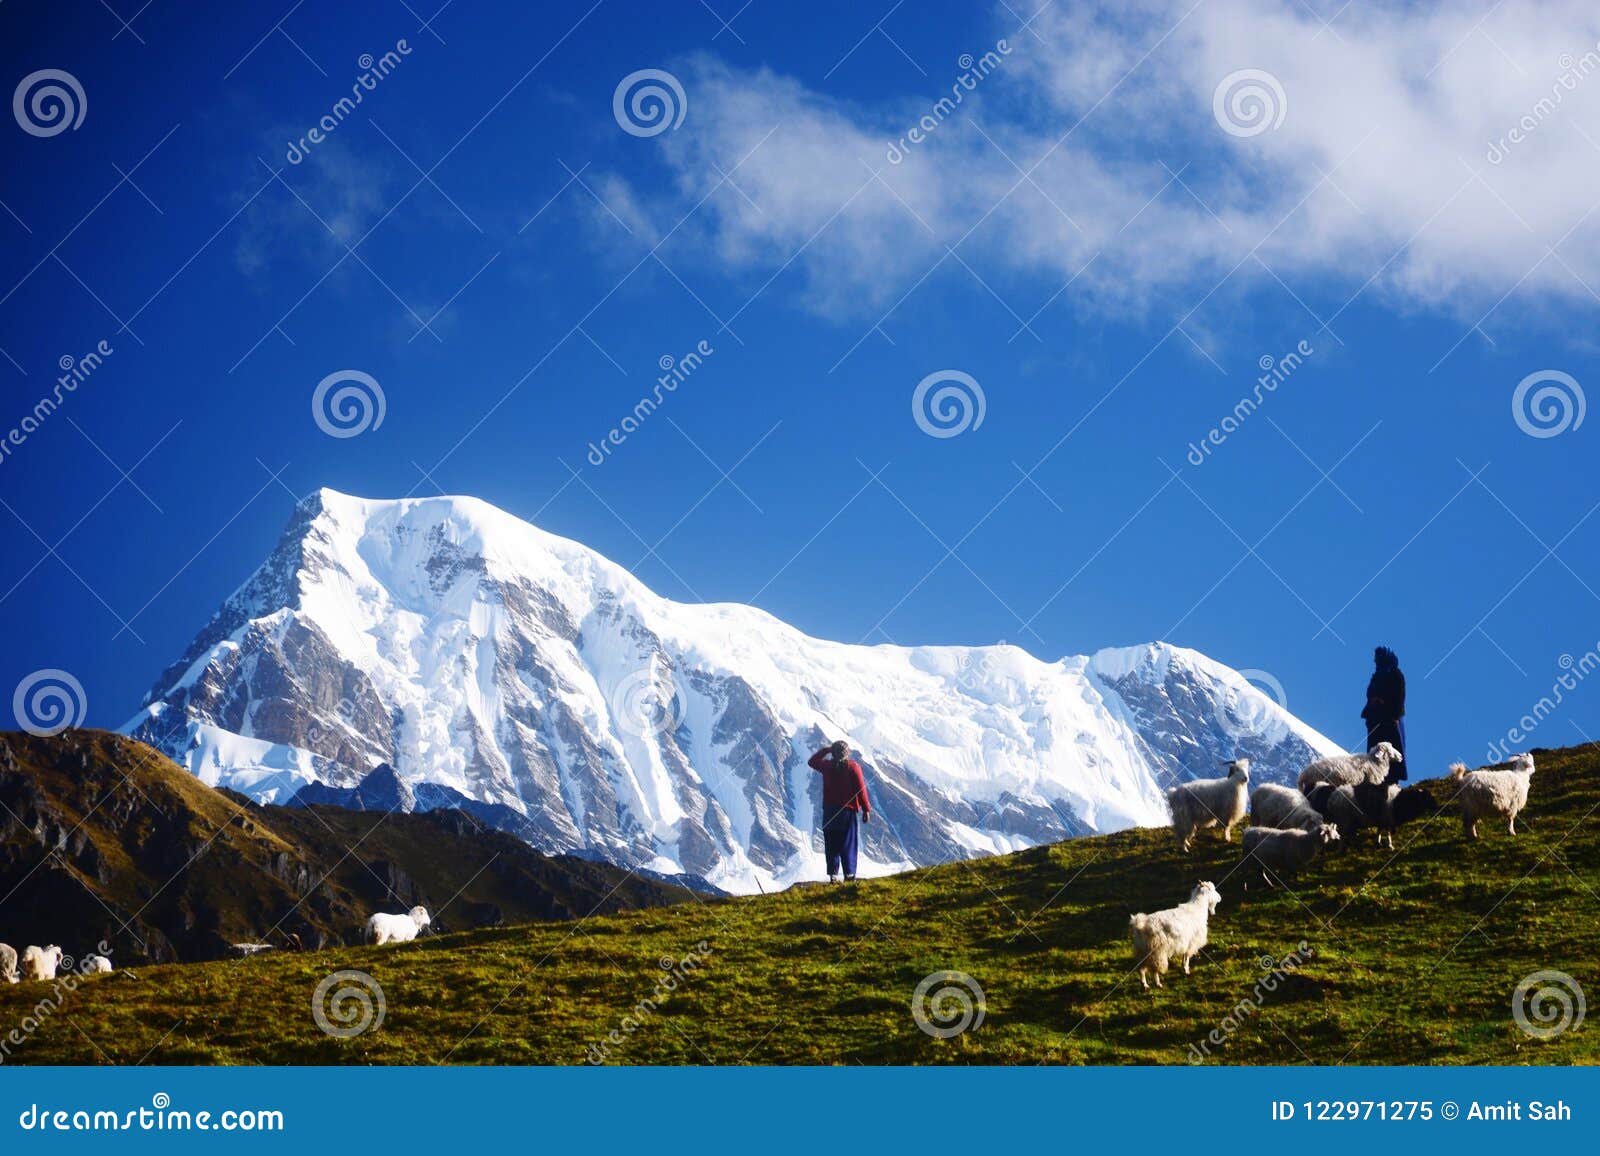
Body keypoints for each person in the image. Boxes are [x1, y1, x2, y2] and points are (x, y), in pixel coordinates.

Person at [808, 740, 872, 882]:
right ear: (847, 753)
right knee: (848, 843)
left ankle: (833, 876)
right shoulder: (853, 767)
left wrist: (826, 750)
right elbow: (861, 791)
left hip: (830, 812)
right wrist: (866, 809)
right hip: (847, 813)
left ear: (834, 752)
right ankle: (849, 874)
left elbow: (812, 762)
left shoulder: (826, 766)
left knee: (831, 844)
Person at [1361, 645, 1407, 782]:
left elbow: (1399, 697)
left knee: (1391, 748)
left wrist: (1394, 715)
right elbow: (1370, 693)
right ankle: (1375, 777)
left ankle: (1392, 778)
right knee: (1375, 749)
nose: (1375, 662)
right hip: (1375, 719)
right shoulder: (1376, 676)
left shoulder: (1395, 675)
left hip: (1390, 719)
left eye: (1377, 660)